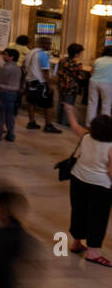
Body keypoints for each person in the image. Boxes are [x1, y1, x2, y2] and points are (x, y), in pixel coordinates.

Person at [60, 104, 112, 267]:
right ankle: (93, 252)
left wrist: (70, 111)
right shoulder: (111, 146)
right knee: (98, 217)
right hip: (100, 185)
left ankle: (76, 242)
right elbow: (111, 172)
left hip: (78, 178)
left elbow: (75, 125)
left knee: (79, 210)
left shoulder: (86, 136)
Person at [0, 48, 23, 147]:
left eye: (6, 55)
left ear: (11, 57)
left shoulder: (6, 68)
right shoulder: (18, 68)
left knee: (0, 116)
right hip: (13, 94)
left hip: (3, 93)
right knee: (10, 115)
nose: (3, 56)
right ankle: (11, 134)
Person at [23, 35, 60, 133]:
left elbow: (24, 64)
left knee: (31, 102)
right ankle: (48, 125)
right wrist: (49, 85)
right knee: (48, 104)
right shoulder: (43, 54)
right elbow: (45, 71)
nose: (50, 46)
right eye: (49, 44)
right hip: (40, 82)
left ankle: (31, 122)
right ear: (44, 44)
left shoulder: (30, 52)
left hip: (30, 81)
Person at [56, 43, 86, 127]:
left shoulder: (62, 60)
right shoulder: (77, 63)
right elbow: (80, 76)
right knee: (68, 104)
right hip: (71, 86)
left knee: (61, 102)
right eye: (80, 52)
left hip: (61, 84)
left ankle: (59, 120)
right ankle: (65, 122)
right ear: (76, 53)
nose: (81, 54)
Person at [90, 46, 112, 124]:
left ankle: (90, 124)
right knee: (106, 104)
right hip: (107, 83)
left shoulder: (97, 60)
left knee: (92, 103)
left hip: (93, 82)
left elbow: (91, 72)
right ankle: (104, 125)